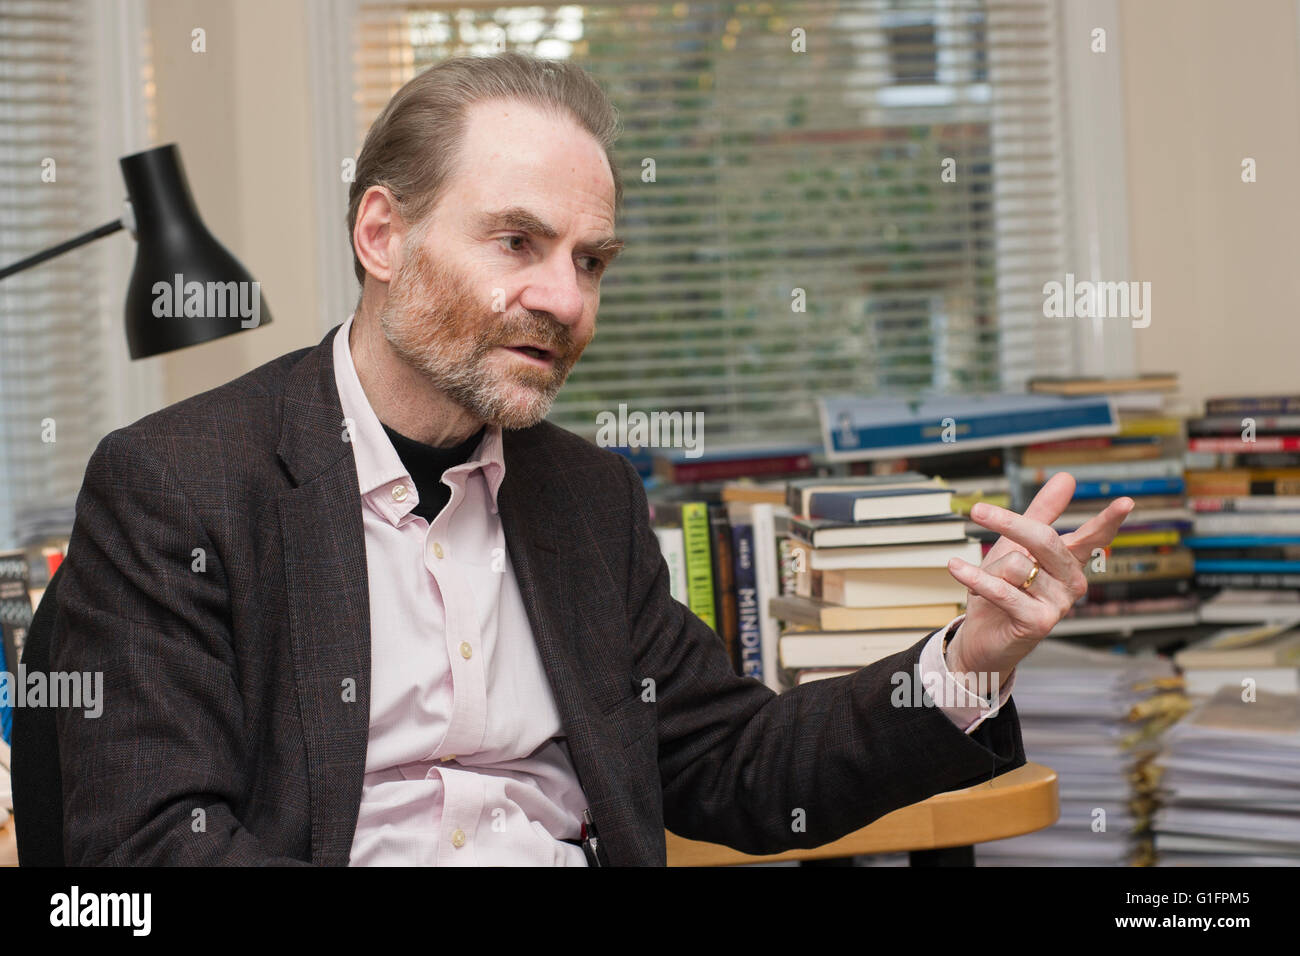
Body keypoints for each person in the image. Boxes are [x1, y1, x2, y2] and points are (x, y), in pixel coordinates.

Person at [51, 51, 1132, 866]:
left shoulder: (583, 495)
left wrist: (971, 655)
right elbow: (150, 851)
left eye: (592, 261)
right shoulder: (181, 483)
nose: (566, 301)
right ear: (381, 236)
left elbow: (735, 767)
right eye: (516, 242)